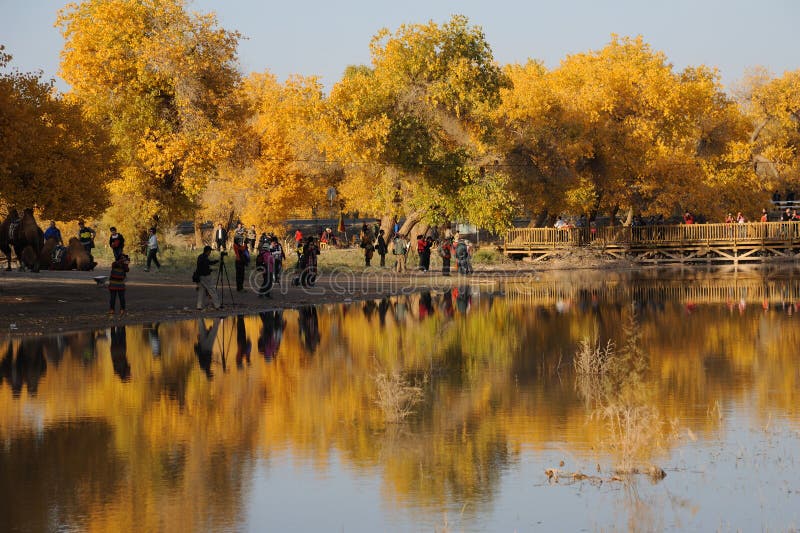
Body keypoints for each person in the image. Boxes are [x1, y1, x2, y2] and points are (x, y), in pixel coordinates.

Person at [195, 245, 221, 310]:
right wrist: (212, 269)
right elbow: (206, 268)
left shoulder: (200, 256)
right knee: (212, 290)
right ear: (207, 251)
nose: (210, 253)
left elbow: (208, 263)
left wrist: (216, 261)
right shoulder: (204, 258)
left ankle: (199, 306)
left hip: (199, 276)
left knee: (201, 292)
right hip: (205, 277)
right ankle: (217, 305)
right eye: (210, 251)